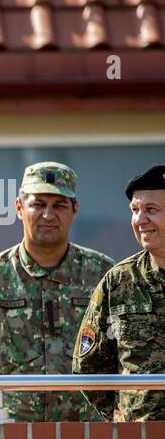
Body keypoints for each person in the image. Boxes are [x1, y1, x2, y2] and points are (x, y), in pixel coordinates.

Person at [0, 162, 114, 422]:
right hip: (9, 437)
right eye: (38, 204)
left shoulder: (103, 275)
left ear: (74, 210)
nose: (48, 215)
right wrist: (1, 406)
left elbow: (126, 354)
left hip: (87, 438)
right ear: (19, 208)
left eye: (59, 205)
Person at [73, 164, 165, 421]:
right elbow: (87, 365)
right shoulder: (119, 280)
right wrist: (121, 416)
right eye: (135, 211)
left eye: (151, 210)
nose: (139, 220)